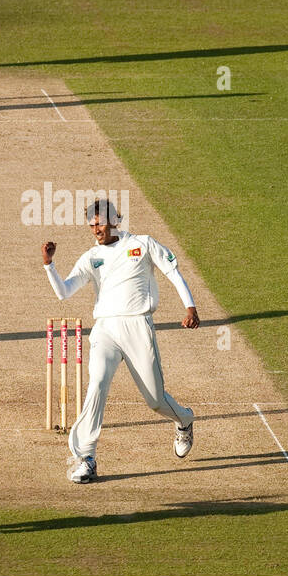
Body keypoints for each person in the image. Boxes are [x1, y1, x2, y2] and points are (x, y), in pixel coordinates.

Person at [42, 199, 200, 484]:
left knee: (155, 400)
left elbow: (172, 272)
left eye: (100, 223)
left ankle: (184, 420)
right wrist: (49, 265)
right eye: (91, 225)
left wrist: (190, 307)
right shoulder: (91, 257)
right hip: (106, 329)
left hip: (138, 325)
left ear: (115, 220)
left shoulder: (143, 244)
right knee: (97, 383)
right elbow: (64, 292)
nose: (96, 230)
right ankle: (87, 457)